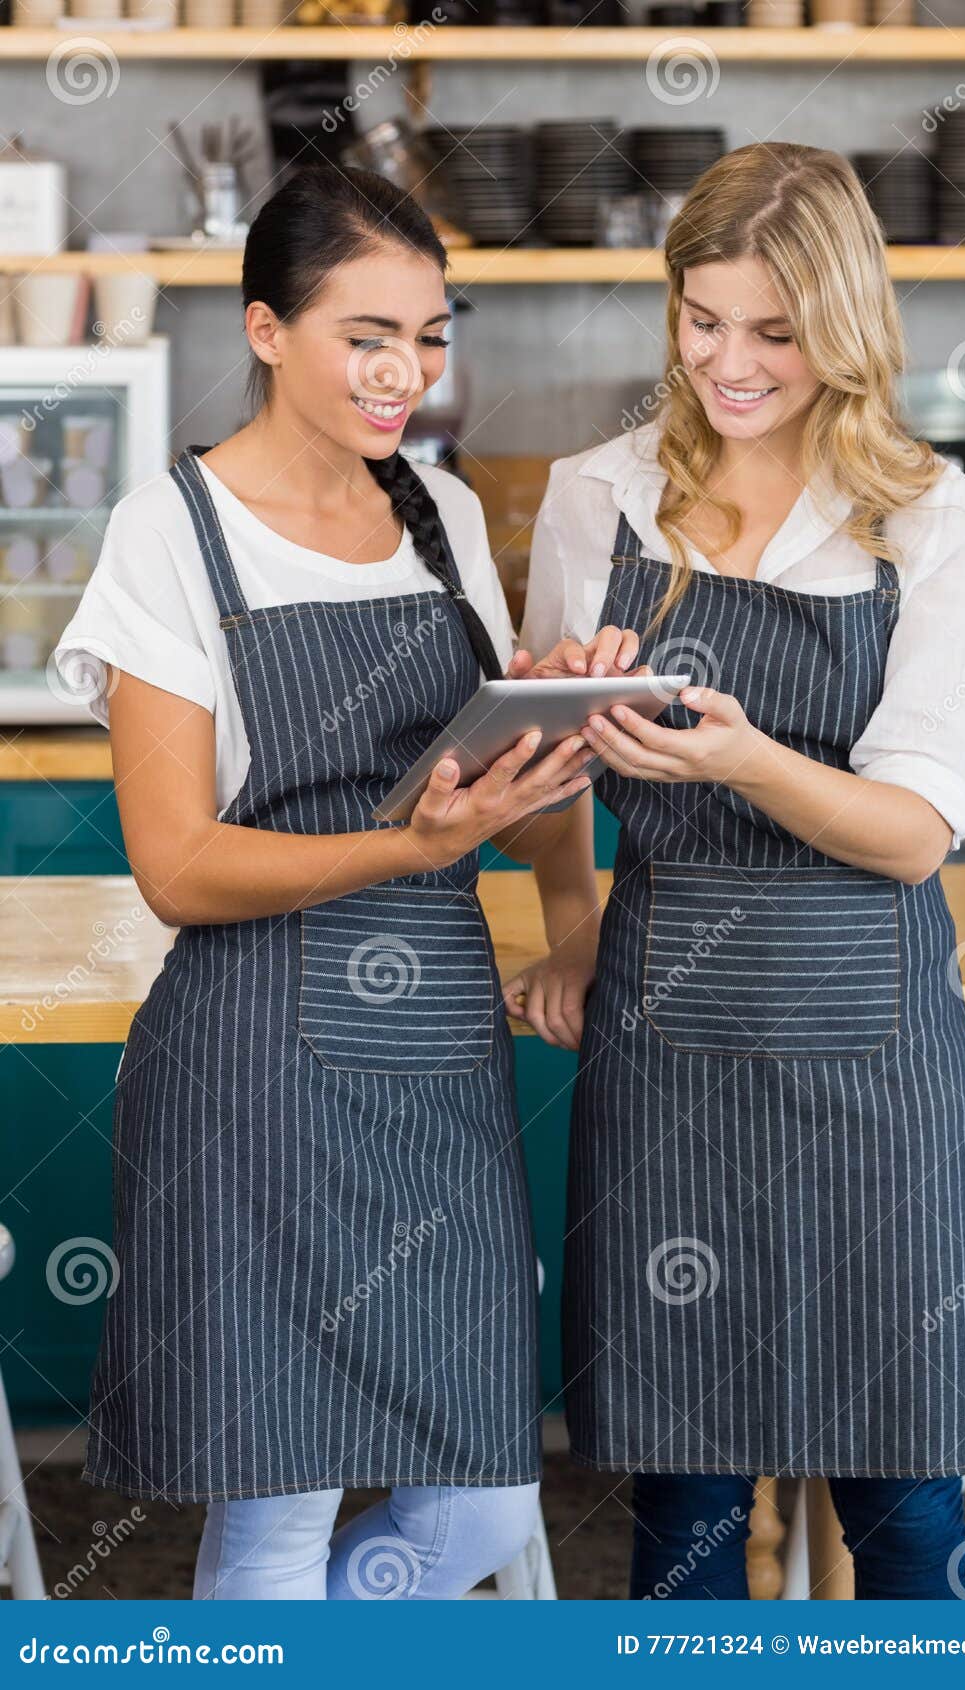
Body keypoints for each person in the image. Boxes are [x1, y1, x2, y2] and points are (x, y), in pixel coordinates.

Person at [53, 163, 624, 1600]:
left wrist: (543, 738)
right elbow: (178, 865)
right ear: (264, 330)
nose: (406, 370)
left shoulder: (433, 508)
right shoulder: (167, 534)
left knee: (488, 1501)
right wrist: (411, 846)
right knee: (281, 1510)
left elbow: (481, 783)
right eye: (366, 332)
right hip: (256, 1064)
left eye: (430, 334)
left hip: (435, 1055)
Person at [509, 141, 965, 1600]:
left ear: (843, 329)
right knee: (688, 1508)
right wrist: (573, 915)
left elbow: (912, 829)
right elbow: (547, 774)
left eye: (774, 333)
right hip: (670, 1043)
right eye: (701, 318)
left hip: (871, 1055)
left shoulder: (928, 520)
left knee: (907, 1503)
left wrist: (743, 759)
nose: (729, 362)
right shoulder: (599, 495)